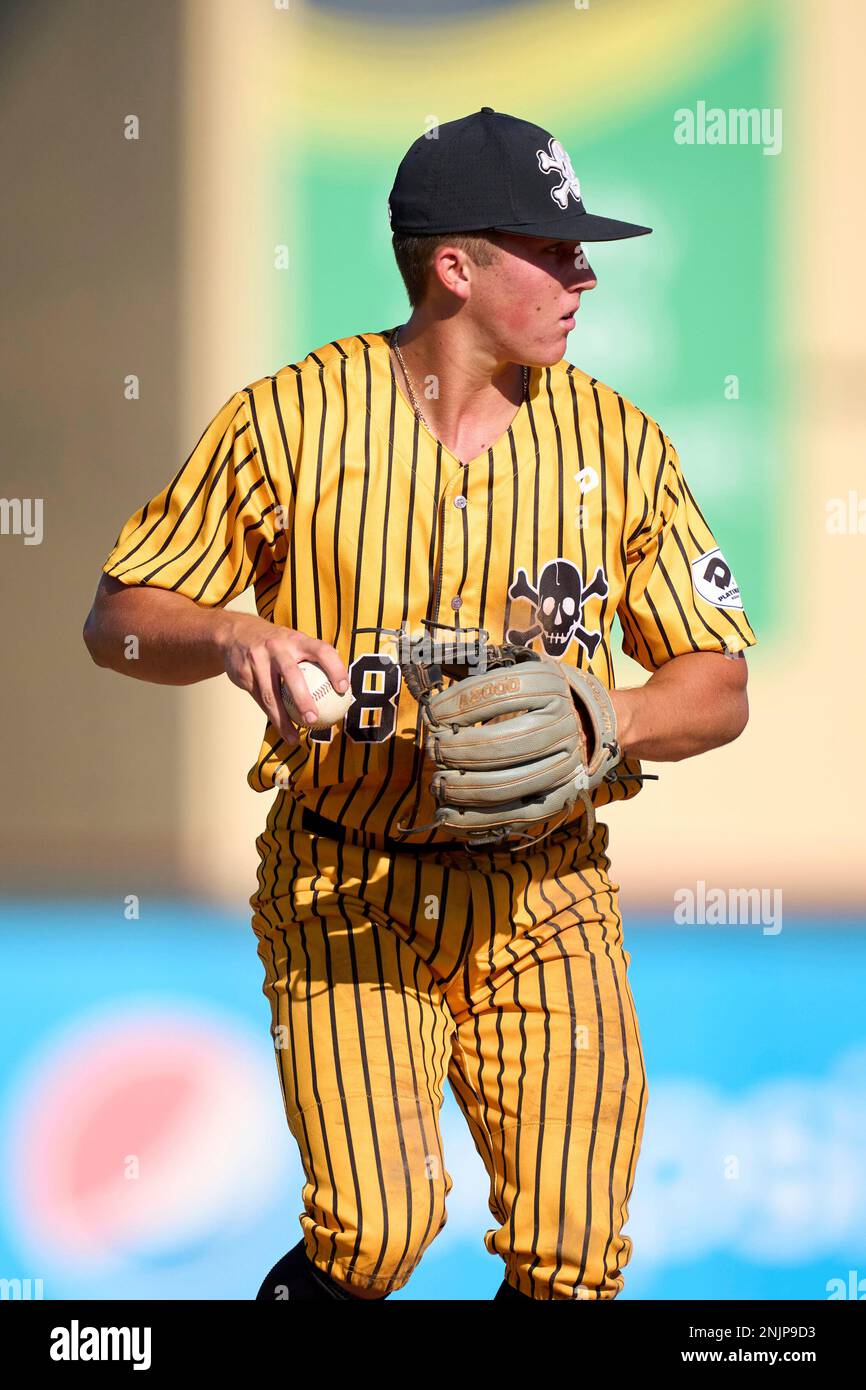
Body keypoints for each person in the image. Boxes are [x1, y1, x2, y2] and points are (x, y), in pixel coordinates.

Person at [83, 107, 756, 1301]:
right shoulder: (290, 420)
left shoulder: (622, 443)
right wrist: (233, 631)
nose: (581, 271)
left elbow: (717, 683)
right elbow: (120, 618)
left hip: (545, 892)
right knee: (374, 1228)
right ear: (455, 265)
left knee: (572, 1257)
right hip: (346, 879)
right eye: (551, 248)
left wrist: (613, 715)